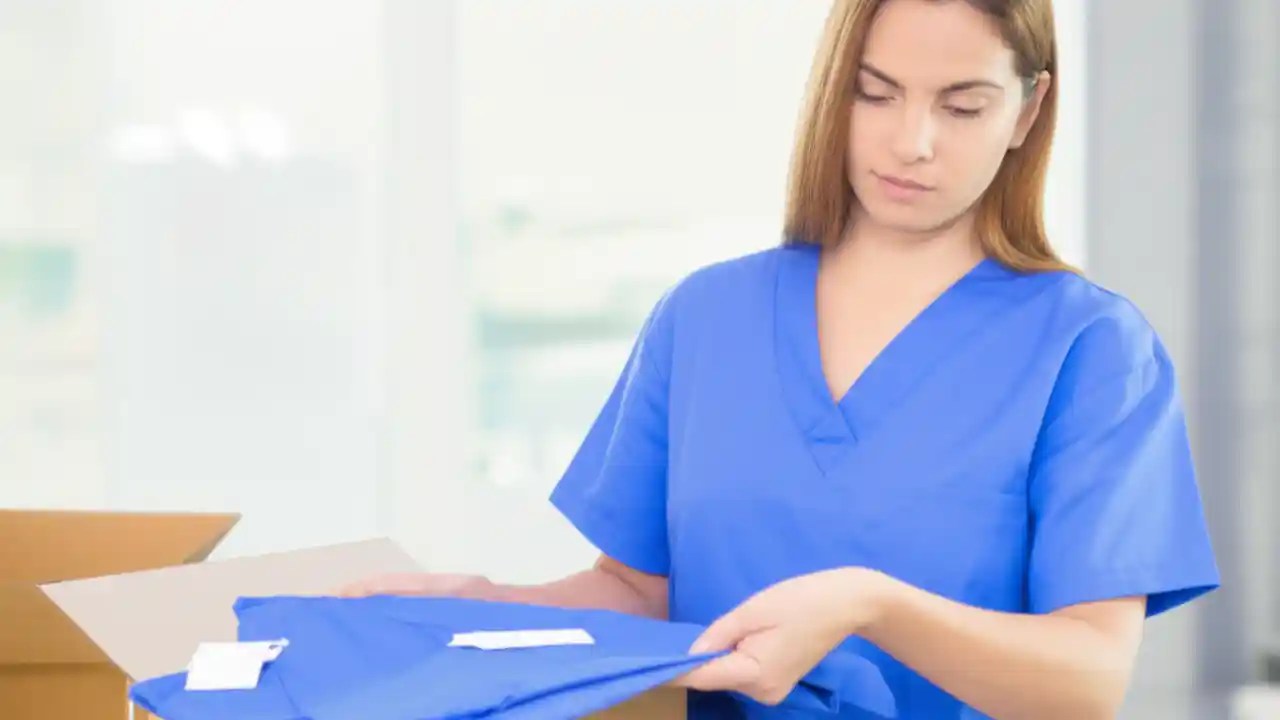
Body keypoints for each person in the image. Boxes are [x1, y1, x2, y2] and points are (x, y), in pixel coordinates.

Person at [341, 0, 1220, 717]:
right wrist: (490, 606)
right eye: (876, 94)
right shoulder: (706, 316)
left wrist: (873, 606)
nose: (913, 141)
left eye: (962, 105)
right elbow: (640, 596)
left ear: (1027, 111)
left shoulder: (1089, 348)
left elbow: (1089, 680)